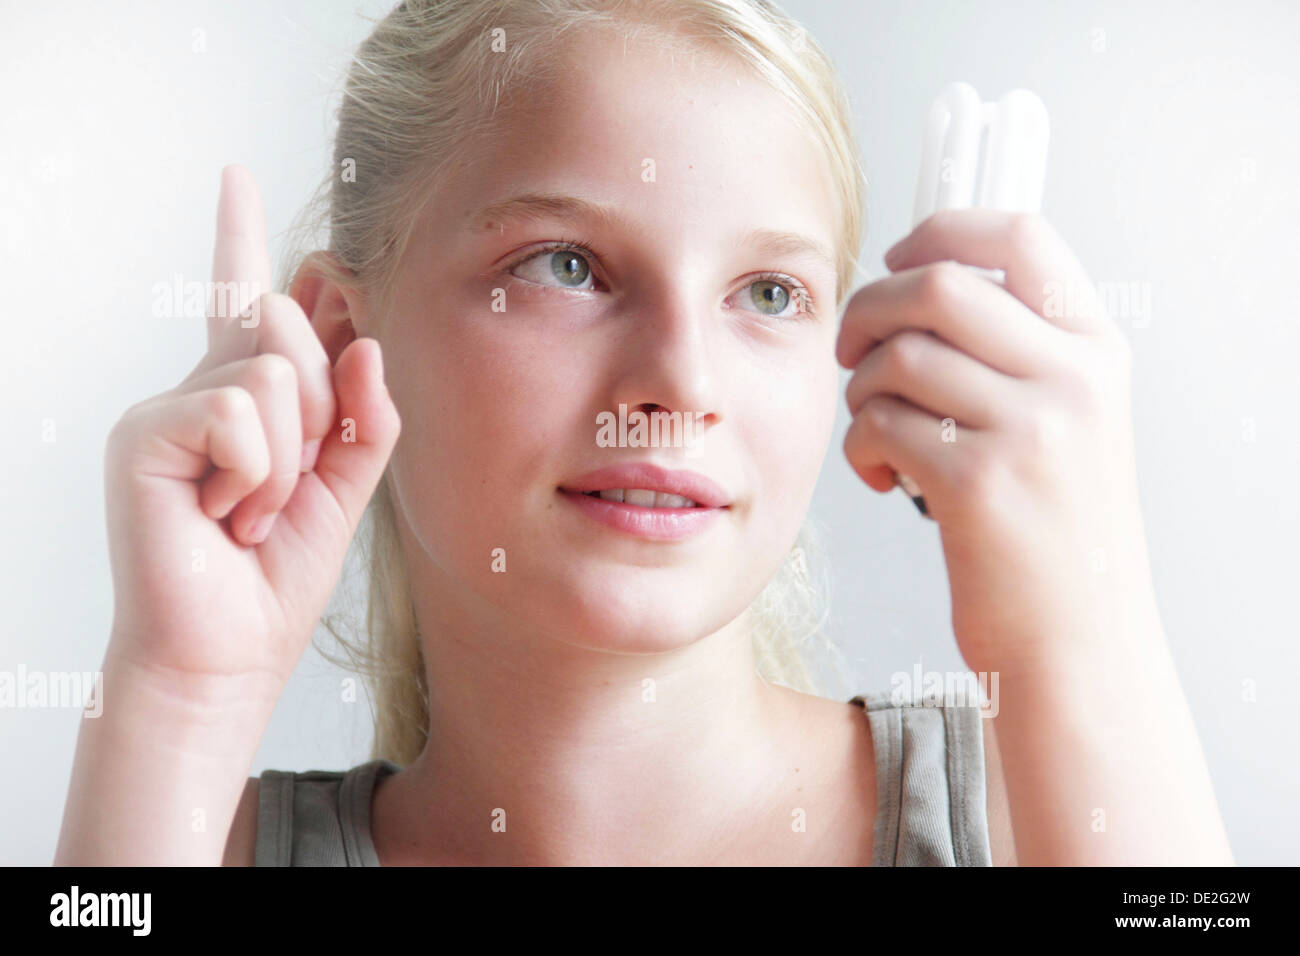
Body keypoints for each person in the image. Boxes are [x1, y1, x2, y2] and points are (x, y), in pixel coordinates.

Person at [55, 0, 1232, 866]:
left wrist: (1078, 627)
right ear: (336, 333)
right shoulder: (179, 841)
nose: (679, 378)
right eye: (566, 267)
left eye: (768, 292)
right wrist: (176, 695)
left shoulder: (1037, 812)